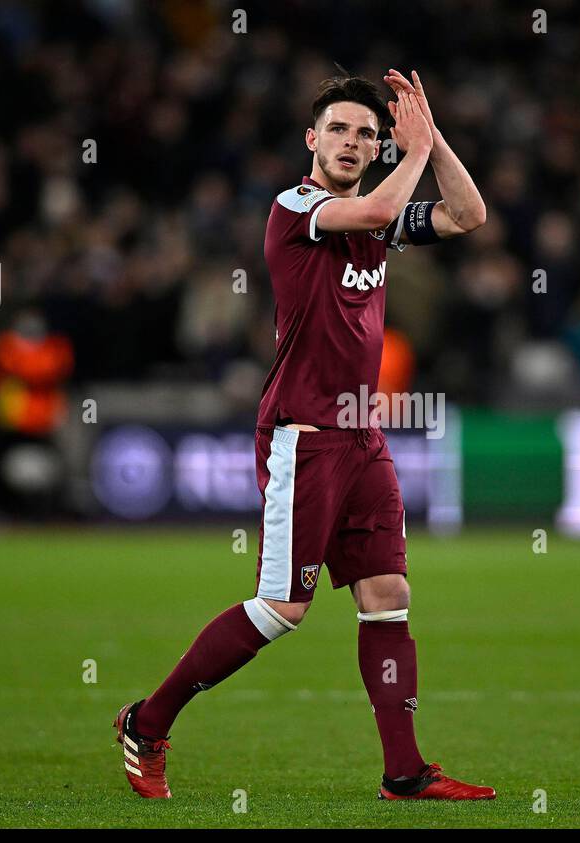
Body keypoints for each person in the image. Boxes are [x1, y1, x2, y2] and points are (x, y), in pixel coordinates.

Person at [115, 68, 493, 801]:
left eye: (367, 134)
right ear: (312, 139)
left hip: (363, 439)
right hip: (305, 436)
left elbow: (469, 214)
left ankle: (404, 772)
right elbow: (386, 201)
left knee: (387, 595)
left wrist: (432, 139)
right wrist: (406, 153)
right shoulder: (298, 207)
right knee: (282, 610)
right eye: (341, 130)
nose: (353, 143)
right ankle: (147, 721)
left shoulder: (375, 220)